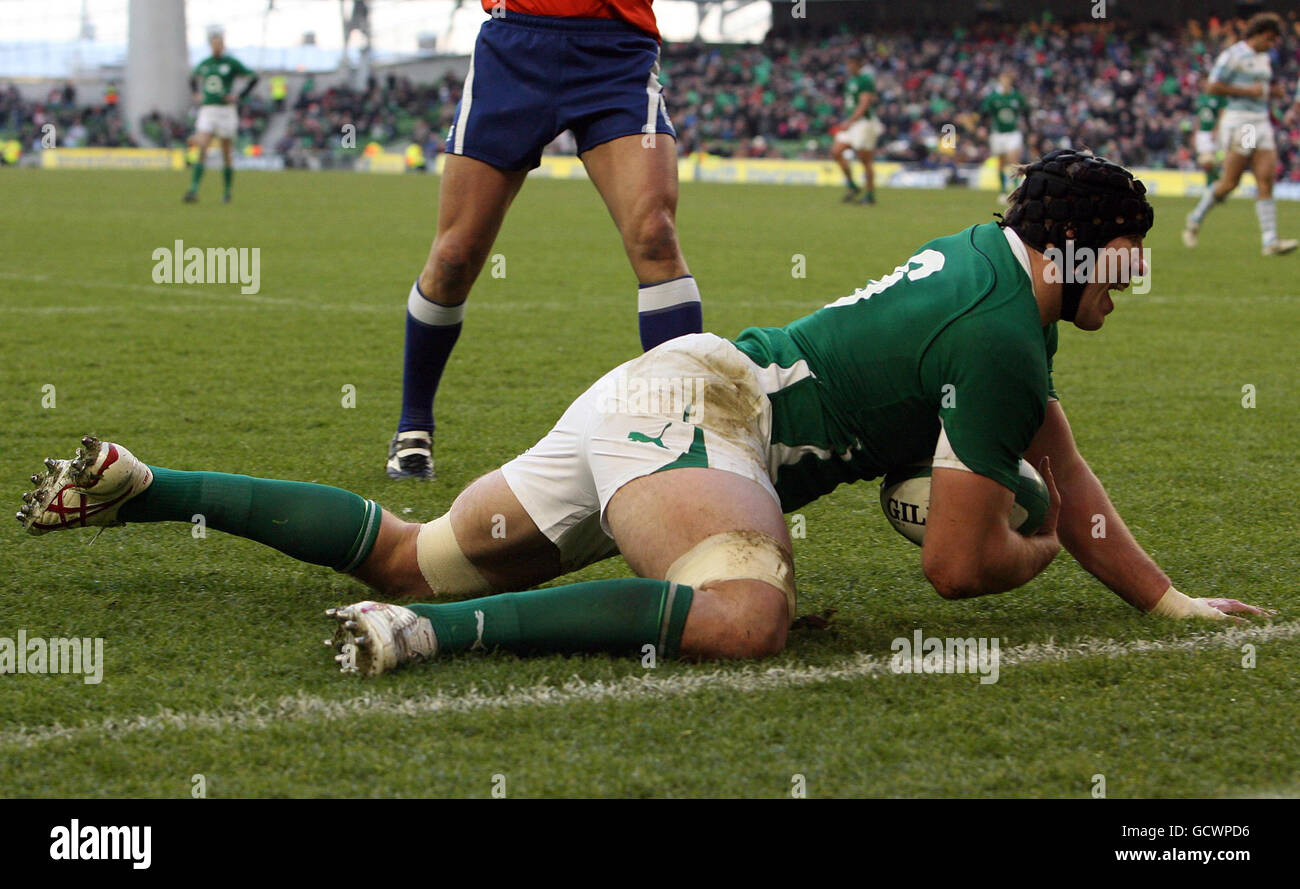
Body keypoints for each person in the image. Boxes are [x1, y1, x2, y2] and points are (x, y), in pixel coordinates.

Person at [19, 151, 1272, 677]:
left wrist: (1160, 599)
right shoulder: (1001, 335)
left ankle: (149, 481)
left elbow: (1055, 448)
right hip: (703, 413)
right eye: (1127, 251)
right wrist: (1030, 541)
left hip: (674, 398)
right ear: (1078, 245)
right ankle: (418, 642)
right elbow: (954, 566)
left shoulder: (993, 281)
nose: (1137, 275)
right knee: (743, 614)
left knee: (419, 547)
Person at [386, 0, 702, 482]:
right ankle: (414, 426)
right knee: (454, 257)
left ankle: (678, 434)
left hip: (616, 48)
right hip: (517, 45)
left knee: (655, 236)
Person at [1182, 12, 1296, 255]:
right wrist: (1248, 91)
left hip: (1261, 121)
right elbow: (1212, 86)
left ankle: (1270, 241)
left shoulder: (1263, 57)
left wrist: (1273, 92)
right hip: (1243, 123)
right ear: (1264, 35)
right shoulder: (1233, 55)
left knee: (1266, 179)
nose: (1273, 45)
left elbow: (1262, 87)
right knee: (1230, 183)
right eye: (1272, 40)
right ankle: (1195, 218)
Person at [183, 31, 258, 204]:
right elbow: (192, 78)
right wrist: (196, 93)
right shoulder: (205, 64)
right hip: (208, 109)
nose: (217, 46)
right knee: (202, 146)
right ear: (211, 45)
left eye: (219, 43)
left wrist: (239, 96)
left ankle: (227, 192)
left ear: (223, 45)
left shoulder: (230, 64)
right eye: (214, 43)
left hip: (226, 111)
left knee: (226, 152)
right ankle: (193, 190)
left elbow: (253, 77)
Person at [830, 55, 881, 204]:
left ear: (858, 64)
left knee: (865, 160)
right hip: (852, 124)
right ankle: (852, 186)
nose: (848, 66)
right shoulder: (851, 80)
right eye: (848, 63)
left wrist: (850, 121)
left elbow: (864, 103)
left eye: (851, 63)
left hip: (864, 124)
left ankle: (870, 195)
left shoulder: (865, 80)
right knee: (836, 152)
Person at [981, 70, 1029, 201]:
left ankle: (1014, 190)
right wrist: (983, 127)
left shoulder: (1016, 96)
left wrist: (1030, 130)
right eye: (1003, 80)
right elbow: (984, 112)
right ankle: (1002, 191)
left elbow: (1026, 112)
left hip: (1013, 132)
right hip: (998, 134)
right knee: (1001, 162)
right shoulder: (993, 97)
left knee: (1014, 160)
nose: (1006, 83)